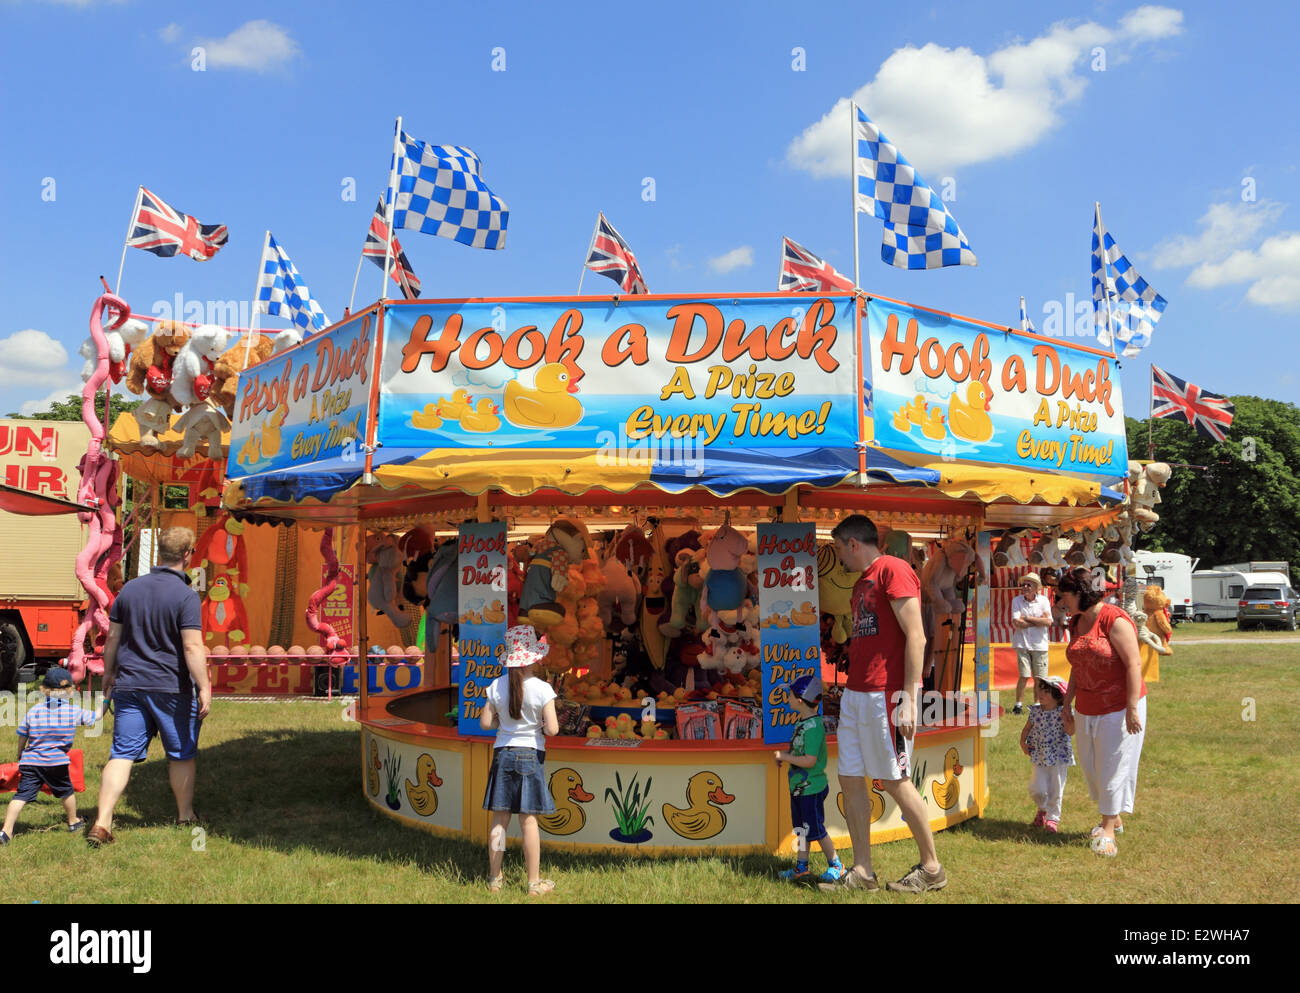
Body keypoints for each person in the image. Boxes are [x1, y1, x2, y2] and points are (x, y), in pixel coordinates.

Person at [819, 514, 947, 893]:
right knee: (851, 778)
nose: (839, 557)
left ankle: (932, 868)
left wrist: (910, 693)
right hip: (859, 694)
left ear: (853, 543)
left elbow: (917, 636)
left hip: (884, 694)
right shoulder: (862, 582)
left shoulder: (893, 569)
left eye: (839, 548)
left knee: (894, 780)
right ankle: (863, 872)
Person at [88, 526, 212, 847]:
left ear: (159, 551)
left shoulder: (129, 590)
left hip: (130, 686)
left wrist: (108, 672)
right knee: (181, 755)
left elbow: (113, 637)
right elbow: (192, 648)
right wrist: (205, 686)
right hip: (172, 688)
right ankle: (185, 816)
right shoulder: (186, 595)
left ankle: (102, 822)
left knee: (121, 754)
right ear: (187, 555)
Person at [1057, 568, 1146, 857]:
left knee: (1111, 765)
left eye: (1064, 596)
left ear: (1080, 593)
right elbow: (1077, 665)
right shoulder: (1076, 622)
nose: (1061, 601)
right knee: (1091, 767)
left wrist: (1132, 707)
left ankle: (1108, 828)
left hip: (1119, 706)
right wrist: (1066, 703)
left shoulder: (1114, 619)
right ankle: (1114, 816)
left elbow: (1133, 664)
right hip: (1086, 705)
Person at [480, 624, 560, 896]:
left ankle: (494, 879)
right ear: (534, 658)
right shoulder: (542, 689)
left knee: (499, 822)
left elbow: (485, 722)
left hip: (503, 753)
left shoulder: (496, 686)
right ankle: (533, 883)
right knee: (528, 822)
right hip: (530, 755)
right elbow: (552, 729)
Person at [1, 666, 100, 844]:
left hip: (31, 761)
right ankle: (73, 822)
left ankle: (6, 831)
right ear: (69, 690)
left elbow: (23, 734)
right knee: (66, 791)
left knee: (21, 796)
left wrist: (20, 754)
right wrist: (107, 699)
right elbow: (97, 716)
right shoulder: (73, 712)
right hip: (56, 762)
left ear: (44, 689)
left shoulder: (34, 711)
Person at [773, 675, 844, 883]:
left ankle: (836, 865)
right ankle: (801, 868)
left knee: (816, 829)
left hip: (811, 789)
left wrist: (785, 757)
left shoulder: (813, 727)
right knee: (802, 829)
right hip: (799, 788)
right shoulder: (804, 723)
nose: (788, 697)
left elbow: (810, 760)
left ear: (800, 700)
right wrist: (787, 756)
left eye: (791, 694)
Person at [1018, 676, 1073, 833]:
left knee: (1056, 789)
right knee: (1036, 788)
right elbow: (1027, 728)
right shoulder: (1035, 712)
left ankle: (1052, 819)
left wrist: (1071, 723)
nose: (1040, 693)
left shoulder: (1063, 713)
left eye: (1046, 691)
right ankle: (1042, 808)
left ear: (1057, 696)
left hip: (1059, 756)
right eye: (1040, 689)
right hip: (1039, 754)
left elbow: (1071, 731)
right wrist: (1023, 743)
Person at [1010, 573, 1053, 714]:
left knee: (1039, 678)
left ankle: (1037, 704)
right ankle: (1018, 704)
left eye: (1029, 584)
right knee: (1024, 675)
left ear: (1036, 588)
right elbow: (1017, 622)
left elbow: (1048, 622)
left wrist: (1027, 618)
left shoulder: (1044, 600)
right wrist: (1038, 620)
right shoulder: (1016, 600)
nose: (1025, 587)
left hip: (1039, 644)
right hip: (1023, 643)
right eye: (1024, 584)